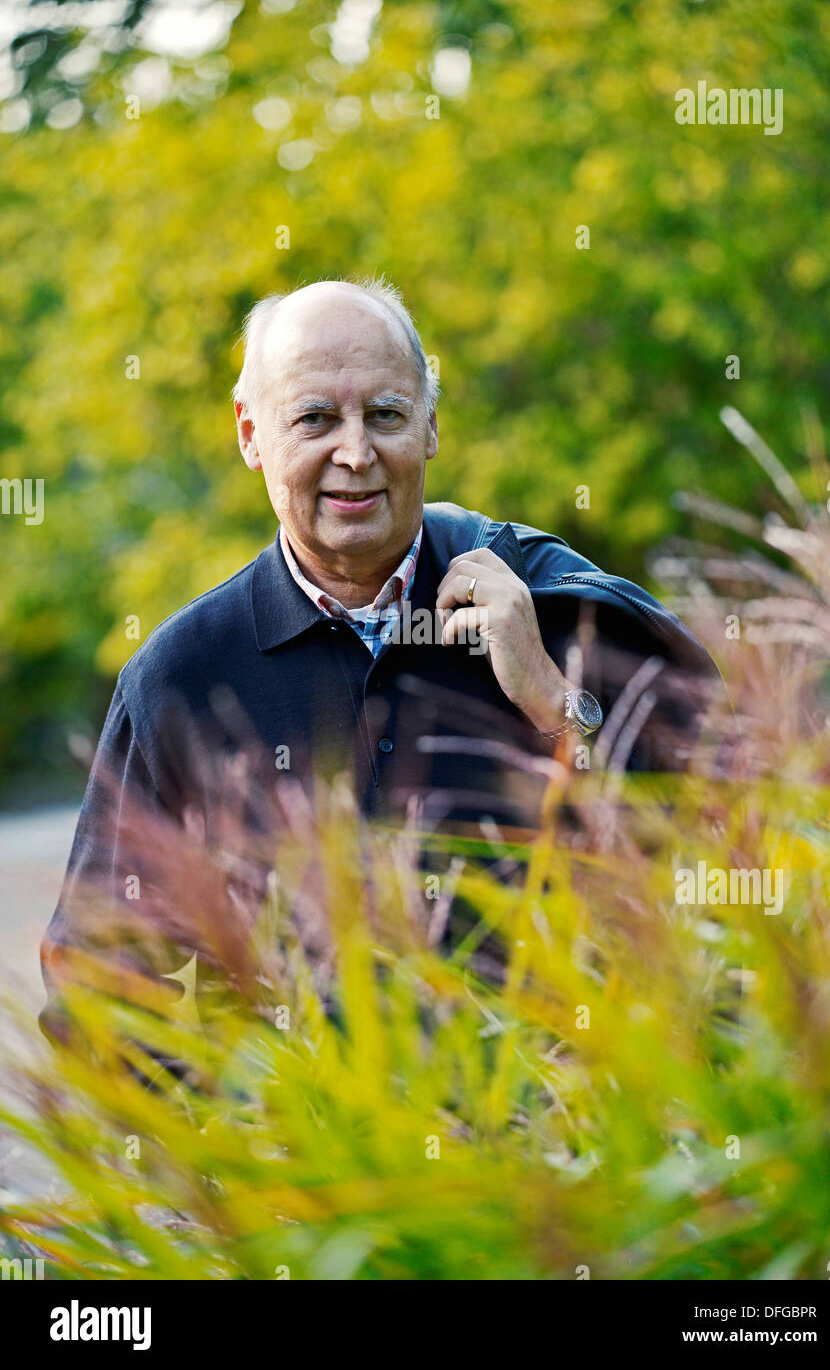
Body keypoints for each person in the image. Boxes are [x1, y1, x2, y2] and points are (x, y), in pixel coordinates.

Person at [40, 276, 722, 1039]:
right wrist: (230, 1103)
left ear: (429, 425)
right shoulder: (181, 676)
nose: (356, 453)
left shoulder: (563, 610)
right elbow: (98, 988)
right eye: (315, 419)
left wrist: (549, 698)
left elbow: (720, 847)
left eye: (386, 415)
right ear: (250, 434)